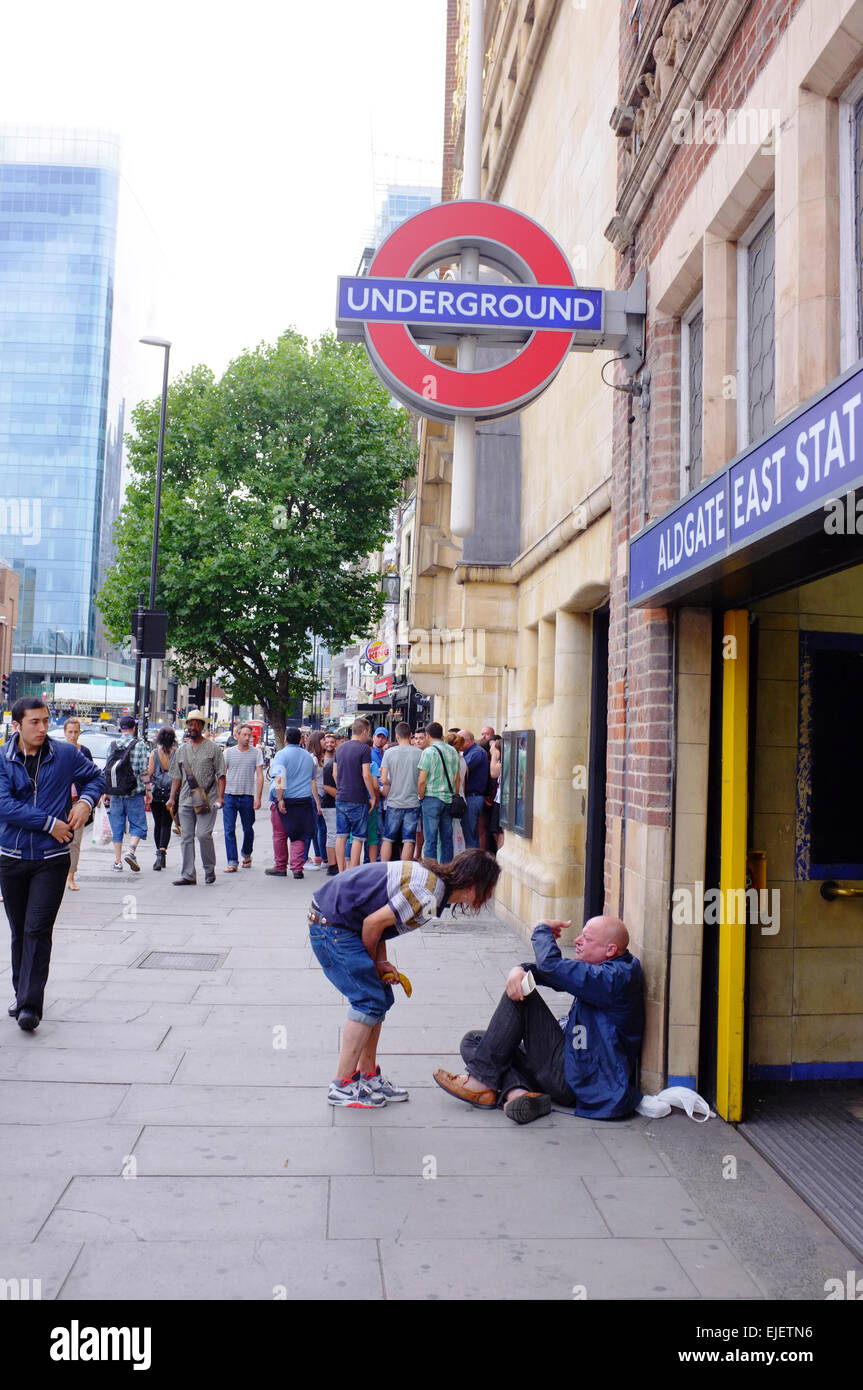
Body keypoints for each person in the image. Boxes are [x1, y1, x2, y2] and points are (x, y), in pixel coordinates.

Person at [308, 848, 500, 1106]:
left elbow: (378, 920)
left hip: (337, 921)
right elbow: (372, 924)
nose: (489, 896)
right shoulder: (428, 893)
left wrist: (379, 962)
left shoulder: (435, 890)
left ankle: (367, 1074)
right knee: (368, 999)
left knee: (379, 996)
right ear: (473, 884)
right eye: (488, 889)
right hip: (331, 925)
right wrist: (372, 964)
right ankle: (342, 1084)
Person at [434, 916, 644, 1124]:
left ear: (610, 950)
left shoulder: (612, 979)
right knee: (474, 1041)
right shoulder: (609, 969)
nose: (577, 941)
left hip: (583, 1080)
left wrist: (542, 929)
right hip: (574, 1064)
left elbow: (551, 965)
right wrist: (519, 970)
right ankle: (518, 1094)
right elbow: (554, 973)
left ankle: (481, 1084)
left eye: (587, 939)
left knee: (523, 998)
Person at [0, 697, 103, 1029]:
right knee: (19, 930)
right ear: (17, 725)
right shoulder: (2, 758)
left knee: (37, 929)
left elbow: (96, 778)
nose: (43, 728)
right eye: (35, 722)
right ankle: (21, 993)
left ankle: (30, 1006)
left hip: (52, 858)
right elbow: (4, 805)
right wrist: (49, 823)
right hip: (11, 857)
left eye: (46, 720)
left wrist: (85, 802)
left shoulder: (66, 754)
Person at [165, 710, 226, 886]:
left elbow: (221, 775)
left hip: (207, 799)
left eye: (196, 724)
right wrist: (172, 798)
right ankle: (188, 875)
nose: (192, 727)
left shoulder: (213, 749)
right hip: (185, 799)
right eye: (190, 724)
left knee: (203, 834)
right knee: (186, 837)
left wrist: (220, 797)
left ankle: (209, 868)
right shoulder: (181, 751)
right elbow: (176, 777)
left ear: (202, 726)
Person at [266, 727, 320, 879]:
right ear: (301, 740)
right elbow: (311, 778)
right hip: (303, 801)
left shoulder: (281, 755)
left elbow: (279, 777)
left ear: (285, 739)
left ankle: (280, 866)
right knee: (299, 835)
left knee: (279, 835)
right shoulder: (308, 757)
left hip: (284, 799)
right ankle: (297, 868)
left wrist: (280, 799)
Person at [103, 714, 149, 873]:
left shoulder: (112, 744)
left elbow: (107, 769)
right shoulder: (140, 745)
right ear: (134, 728)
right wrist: (148, 790)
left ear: (120, 729)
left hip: (116, 793)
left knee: (117, 827)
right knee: (138, 825)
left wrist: (106, 792)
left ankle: (117, 862)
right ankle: (131, 851)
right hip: (134, 793)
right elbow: (144, 770)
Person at [333, 718, 378, 872]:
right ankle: (353, 872)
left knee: (341, 835)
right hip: (358, 798)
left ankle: (341, 871)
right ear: (364, 731)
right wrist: (372, 796)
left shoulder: (340, 748)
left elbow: (335, 773)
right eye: (369, 732)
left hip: (341, 797)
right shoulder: (364, 749)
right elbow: (366, 775)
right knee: (358, 838)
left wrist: (341, 787)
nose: (369, 736)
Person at [222, 723, 264, 872]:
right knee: (229, 829)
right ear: (237, 736)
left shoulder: (256, 752)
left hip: (247, 796)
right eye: (244, 735)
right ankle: (232, 861)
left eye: (249, 735)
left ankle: (246, 853)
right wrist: (219, 795)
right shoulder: (228, 753)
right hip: (229, 795)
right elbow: (221, 774)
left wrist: (258, 797)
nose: (247, 738)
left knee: (248, 828)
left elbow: (260, 775)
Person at [379, 722, 422, 862]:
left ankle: (384, 868)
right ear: (411, 735)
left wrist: (393, 781)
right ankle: (405, 870)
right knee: (409, 839)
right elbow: (422, 779)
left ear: (396, 736)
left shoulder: (389, 753)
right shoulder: (420, 753)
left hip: (394, 802)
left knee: (388, 838)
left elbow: (383, 779)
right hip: (413, 802)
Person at [417, 721, 459, 864]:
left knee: (430, 839)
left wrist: (421, 796)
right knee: (447, 839)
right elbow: (457, 777)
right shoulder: (452, 751)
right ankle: (446, 869)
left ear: (427, 735)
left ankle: (431, 870)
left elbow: (422, 780)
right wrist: (454, 793)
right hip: (448, 798)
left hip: (431, 798)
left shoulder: (428, 752)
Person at [62, 716, 94, 891]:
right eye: (70, 732)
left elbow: (92, 776)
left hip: (78, 803)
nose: (73, 735)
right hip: (61, 802)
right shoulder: (58, 750)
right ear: (65, 733)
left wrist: (89, 800)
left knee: (75, 841)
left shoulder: (85, 752)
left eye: (76, 732)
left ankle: (71, 876)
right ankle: (58, 874)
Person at [146, 726, 176, 871]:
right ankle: (162, 853)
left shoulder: (154, 753)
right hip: (172, 793)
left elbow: (149, 772)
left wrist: (147, 790)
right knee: (166, 824)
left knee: (158, 824)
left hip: (157, 793)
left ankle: (158, 855)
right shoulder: (177, 753)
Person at [458, 729, 489, 851]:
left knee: (469, 834)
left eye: (459, 740)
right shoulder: (471, 752)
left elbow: (462, 769)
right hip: (472, 797)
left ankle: (472, 860)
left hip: (473, 797)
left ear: (467, 741)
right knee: (469, 833)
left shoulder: (476, 753)